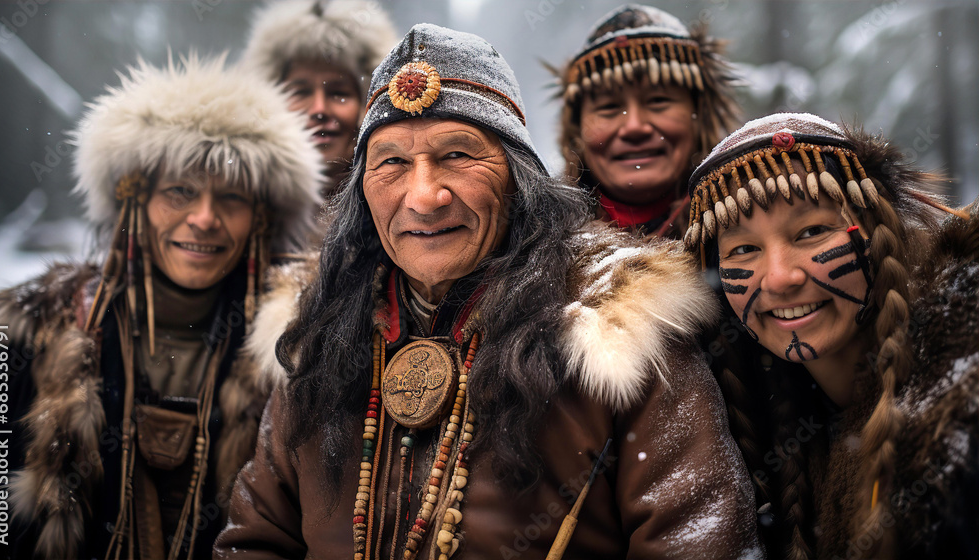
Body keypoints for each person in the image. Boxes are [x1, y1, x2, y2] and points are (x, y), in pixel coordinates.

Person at [215, 23, 764, 560]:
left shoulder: (618, 329)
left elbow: (696, 540)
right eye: (393, 163)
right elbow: (255, 540)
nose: (424, 196)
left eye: (457, 155)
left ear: (518, 178)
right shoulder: (322, 333)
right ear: (362, 191)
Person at [0, 53, 323, 559]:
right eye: (180, 191)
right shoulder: (21, 333)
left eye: (230, 197)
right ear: (134, 202)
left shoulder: (298, 350)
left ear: (261, 219)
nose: (203, 219)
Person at [683, 112, 979, 559]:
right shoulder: (760, 435)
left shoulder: (962, 390)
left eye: (812, 231)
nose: (780, 278)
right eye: (744, 249)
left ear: (880, 233)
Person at [555, 4, 740, 238]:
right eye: (609, 107)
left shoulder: (756, 235)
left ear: (701, 119)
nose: (634, 126)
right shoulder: (526, 251)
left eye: (658, 101)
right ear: (576, 131)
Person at [240, 0, 397, 199]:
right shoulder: (240, 207)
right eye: (300, 92)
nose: (319, 109)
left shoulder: (403, 204)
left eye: (338, 94)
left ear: (369, 103)